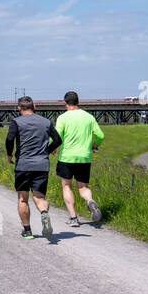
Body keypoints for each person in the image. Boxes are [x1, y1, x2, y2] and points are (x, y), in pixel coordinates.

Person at [6, 96, 62, 240]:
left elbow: (10, 139)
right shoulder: (46, 122)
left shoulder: (16, 122)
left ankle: (28, 231)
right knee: (39, 197)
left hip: (23, 165)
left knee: (23, 198)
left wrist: (9, 155)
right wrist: (47, 151)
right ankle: (44, 213)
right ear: (34, 106)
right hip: (42, 165)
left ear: (19, 108)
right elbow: (58, 140)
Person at [54, 90, 105, 226]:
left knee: (66, 186)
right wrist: (95, 145)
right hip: (84, 158)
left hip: (66, 157)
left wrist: (52, 148)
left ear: (66, 103)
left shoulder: (62, 118)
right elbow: (101, 135)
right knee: (83, 187)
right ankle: (90, 201)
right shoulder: (89, 117)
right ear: (78, 102)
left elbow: (57, 137)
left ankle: (73, 219)